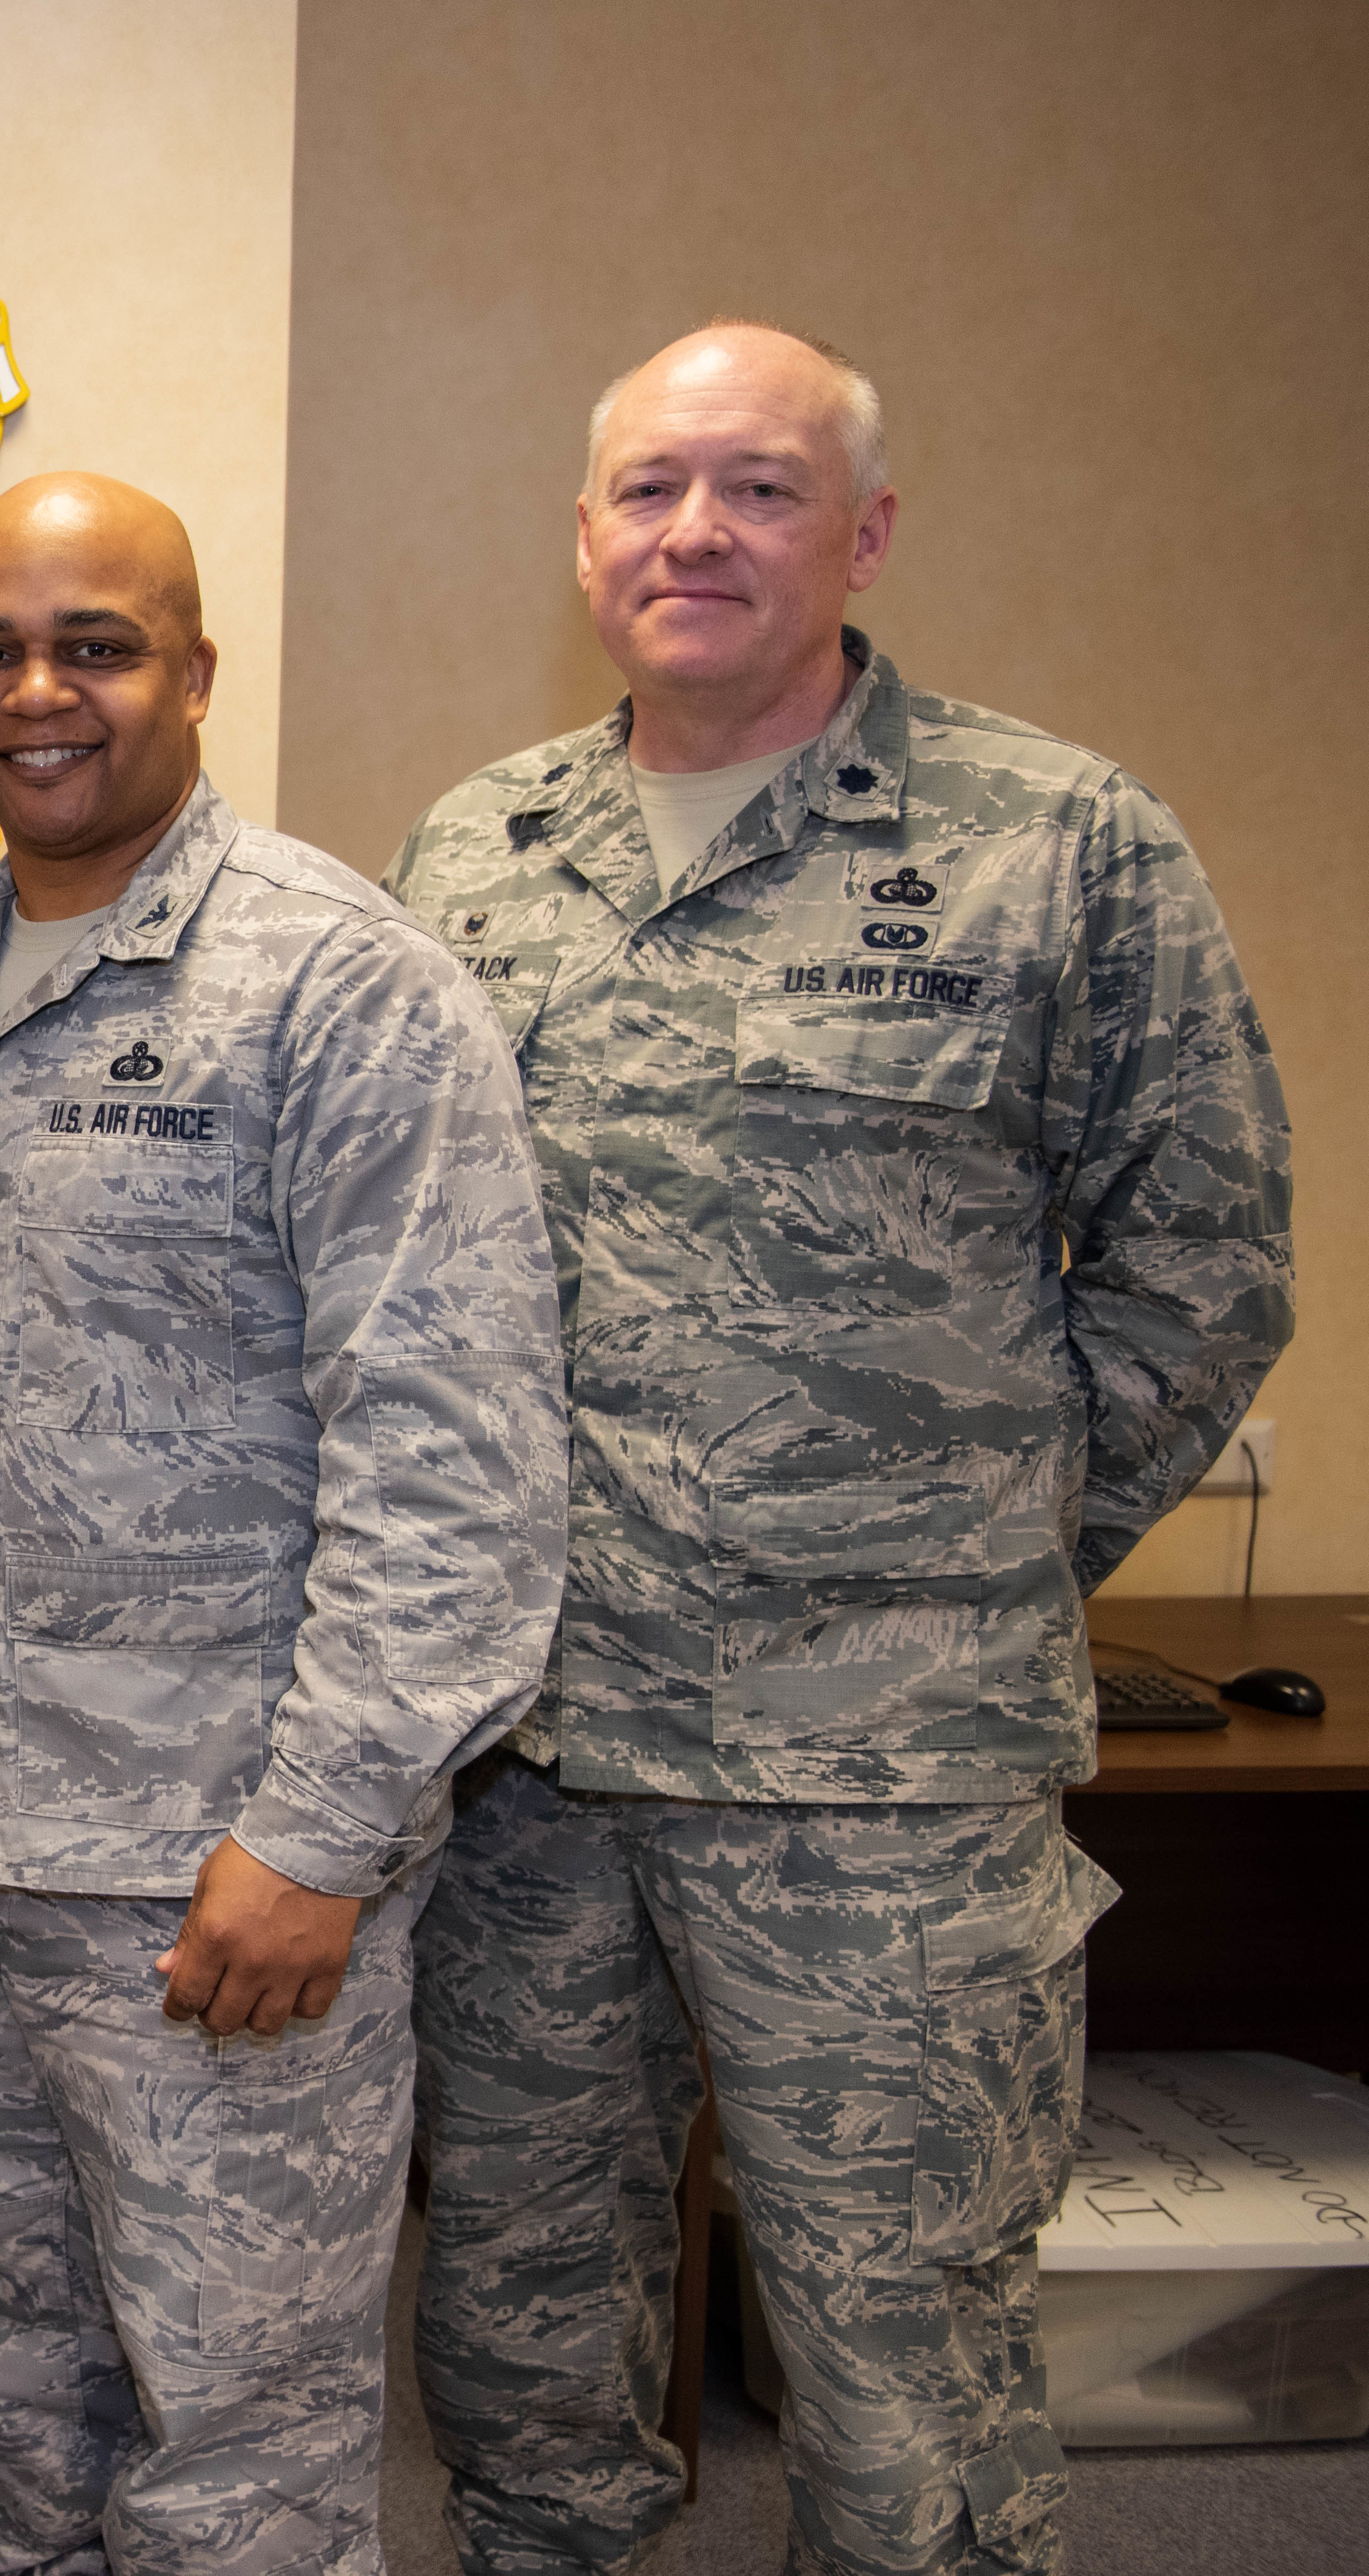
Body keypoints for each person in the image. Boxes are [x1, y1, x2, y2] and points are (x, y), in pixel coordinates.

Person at [393, 320, 1293, 2575]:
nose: (699, 531)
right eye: (651, 489)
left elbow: (1207, 1261)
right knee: (520, 2362)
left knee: (911, 2396)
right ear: (586, 535)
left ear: (864, 530)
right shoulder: (476, 847)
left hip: (883, 1786)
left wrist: (960, 1556)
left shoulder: (1058, 843)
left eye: (764, 487)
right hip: (529, 1772)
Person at [0, 473, 568, 2576]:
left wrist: (322, 1834)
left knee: (239, 2461)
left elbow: (455, 1452)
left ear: (195, 674)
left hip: (214, 1894)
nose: (38, 693)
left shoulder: (339, 987)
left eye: (97, 643)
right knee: (14, 2415)